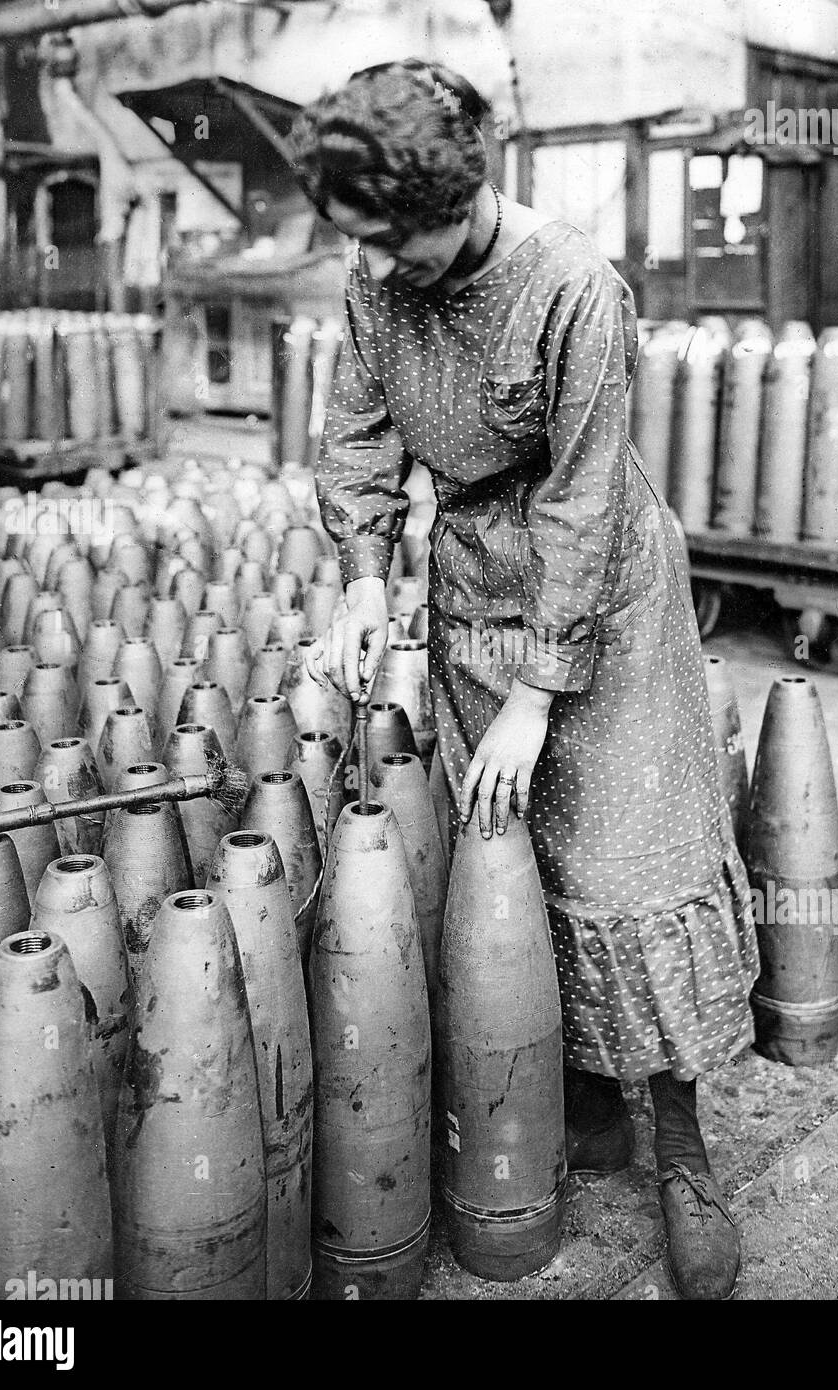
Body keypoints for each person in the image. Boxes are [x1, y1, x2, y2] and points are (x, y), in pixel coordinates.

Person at [292, 58, 759, 1301]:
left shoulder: (571, 287)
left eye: (395, 239)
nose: (377, 267)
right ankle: (587, 1099)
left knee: (622, 857)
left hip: (595, 591)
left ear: (462, 193)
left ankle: (680, 1146)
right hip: (469, 577)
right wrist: (360, 579)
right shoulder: (377, 274)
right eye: (358, 243)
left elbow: (586, 496)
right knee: (519, 861)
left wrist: (540, 694)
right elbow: (355, 430)